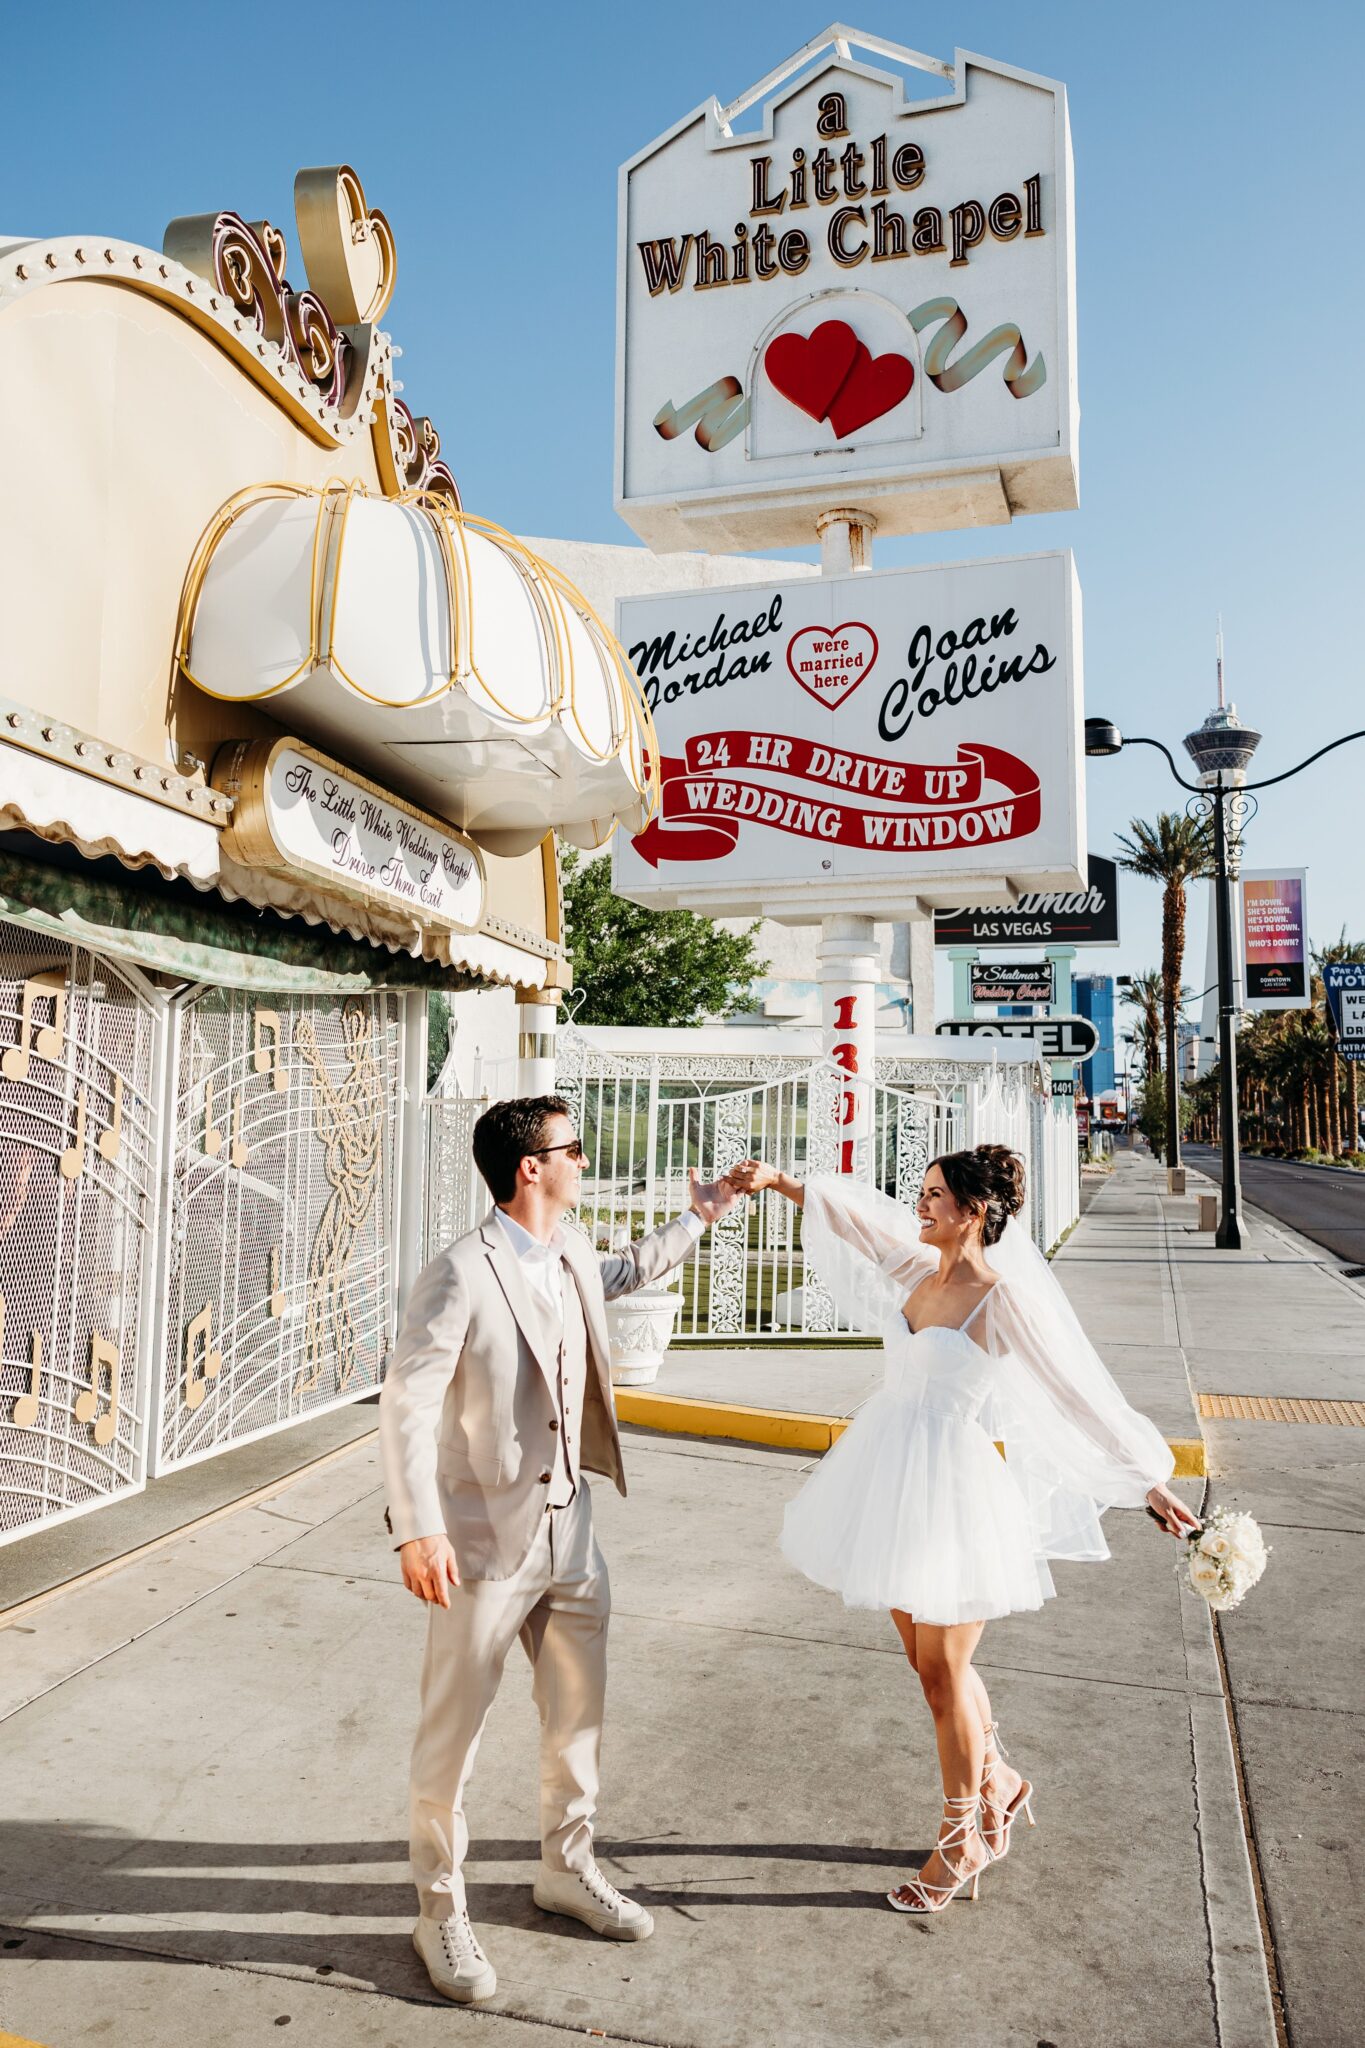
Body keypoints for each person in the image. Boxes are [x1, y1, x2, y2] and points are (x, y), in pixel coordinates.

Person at [726, 1145, 1199, 1915]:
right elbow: (854, 1226)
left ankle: (959, 1841)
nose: (918, 1205)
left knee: (945, 1674)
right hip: (888, 1479)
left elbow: (1073, 1395)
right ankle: (998, 1782)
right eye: (920, 1192)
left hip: (951, 1491)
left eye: (933, 1195)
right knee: (927, 1668)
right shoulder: (919, 1271)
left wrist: (1144, 1479)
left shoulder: (1000, 1301)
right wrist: (781, 1182)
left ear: (973, 1212)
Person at [379, 1094, 738, 2003]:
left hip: (572, 1531)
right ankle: (438, 1909)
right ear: (529, 1167)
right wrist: (418, 1527)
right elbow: (407, 1403)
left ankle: (565, 1869)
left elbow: (623, 1270)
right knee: (451, 1736)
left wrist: (699, 1216)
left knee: (577, 1717)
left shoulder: (571, 1247)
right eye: (571, 1149)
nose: (583, 1160)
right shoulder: (459, 1272)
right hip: (480, 1543)